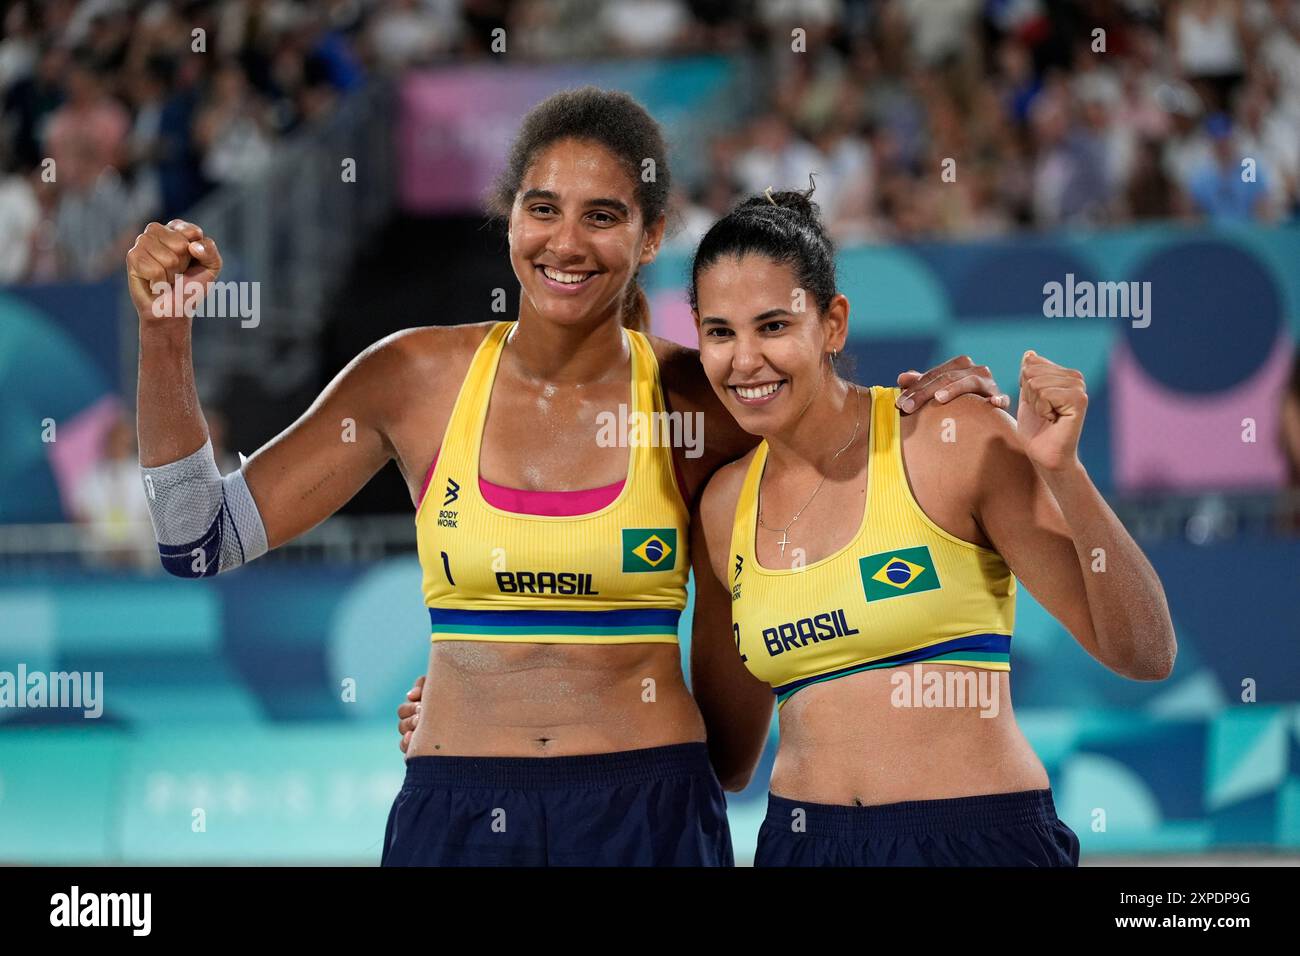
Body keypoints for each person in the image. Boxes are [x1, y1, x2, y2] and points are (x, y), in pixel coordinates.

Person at [128, 87, 1005, 867]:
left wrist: (916, 405)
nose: (565, 242)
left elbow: (735, 752)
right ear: (507, 216)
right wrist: (166, 332)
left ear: (652, 233)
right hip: (456, 815)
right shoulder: (413, 379)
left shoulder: (699, 400)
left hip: (649, 818)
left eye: (603, 215)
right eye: (542, 209)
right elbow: (196, 536)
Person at [685, 187, 1177, 866]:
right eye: (720, 332)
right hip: (801, 847)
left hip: (977, 842)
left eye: (773, 326)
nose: (745, 360)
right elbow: (728, 760)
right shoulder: (721, 509)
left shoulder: (951, 436)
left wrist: (1067, 473)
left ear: (832, 324)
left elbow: (1145, 653)